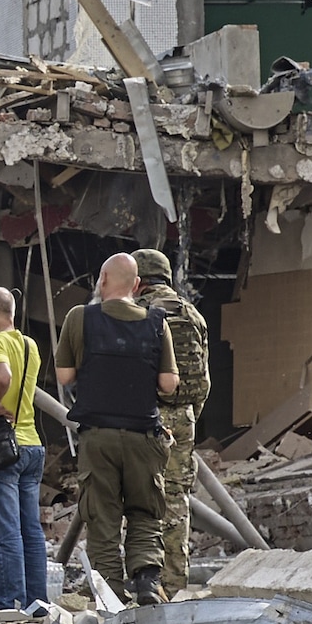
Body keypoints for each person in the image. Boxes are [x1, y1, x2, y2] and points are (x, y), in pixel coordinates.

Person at [55, 253, 179, 606]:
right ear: (136, 285)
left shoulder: (79, 317)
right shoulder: (157, 322)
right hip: (143, 434)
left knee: (103, 516)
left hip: (99, 437)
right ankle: (146, 580)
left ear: (103, 279)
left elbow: (64, 376)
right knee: (145, 511)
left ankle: (110, 592)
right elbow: (169, 383)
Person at [135, 249, 211, 593]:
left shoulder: (139, 311)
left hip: (150, 415)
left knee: (141, 500)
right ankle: (176, 584)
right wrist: (189, 414)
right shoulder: (192, 314)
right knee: (177, 501)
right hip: (185, 416)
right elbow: (204, 379)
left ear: (139, 279)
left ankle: (146, 583)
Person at [0, 287, 48, 613]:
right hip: (31, 445)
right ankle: (38, 603)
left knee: (7, 532)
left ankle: (9, 604)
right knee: (32, 530)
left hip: (2, 447)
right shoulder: (30, 345)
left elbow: (2, 376)